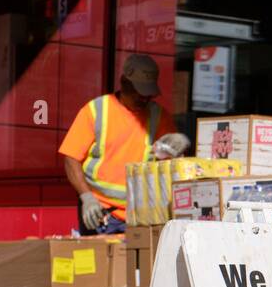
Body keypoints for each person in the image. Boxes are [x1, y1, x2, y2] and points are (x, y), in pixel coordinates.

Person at [58, 53, 188, 234]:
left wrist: (176, 149)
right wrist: (86, 197)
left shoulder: (159, 116)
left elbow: (168, 164)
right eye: (139, 92)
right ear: (124, 83)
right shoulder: (96, 110)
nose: (144, 99)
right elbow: (71, 158)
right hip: (101, 213)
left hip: (142, 217)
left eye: (148, 94)